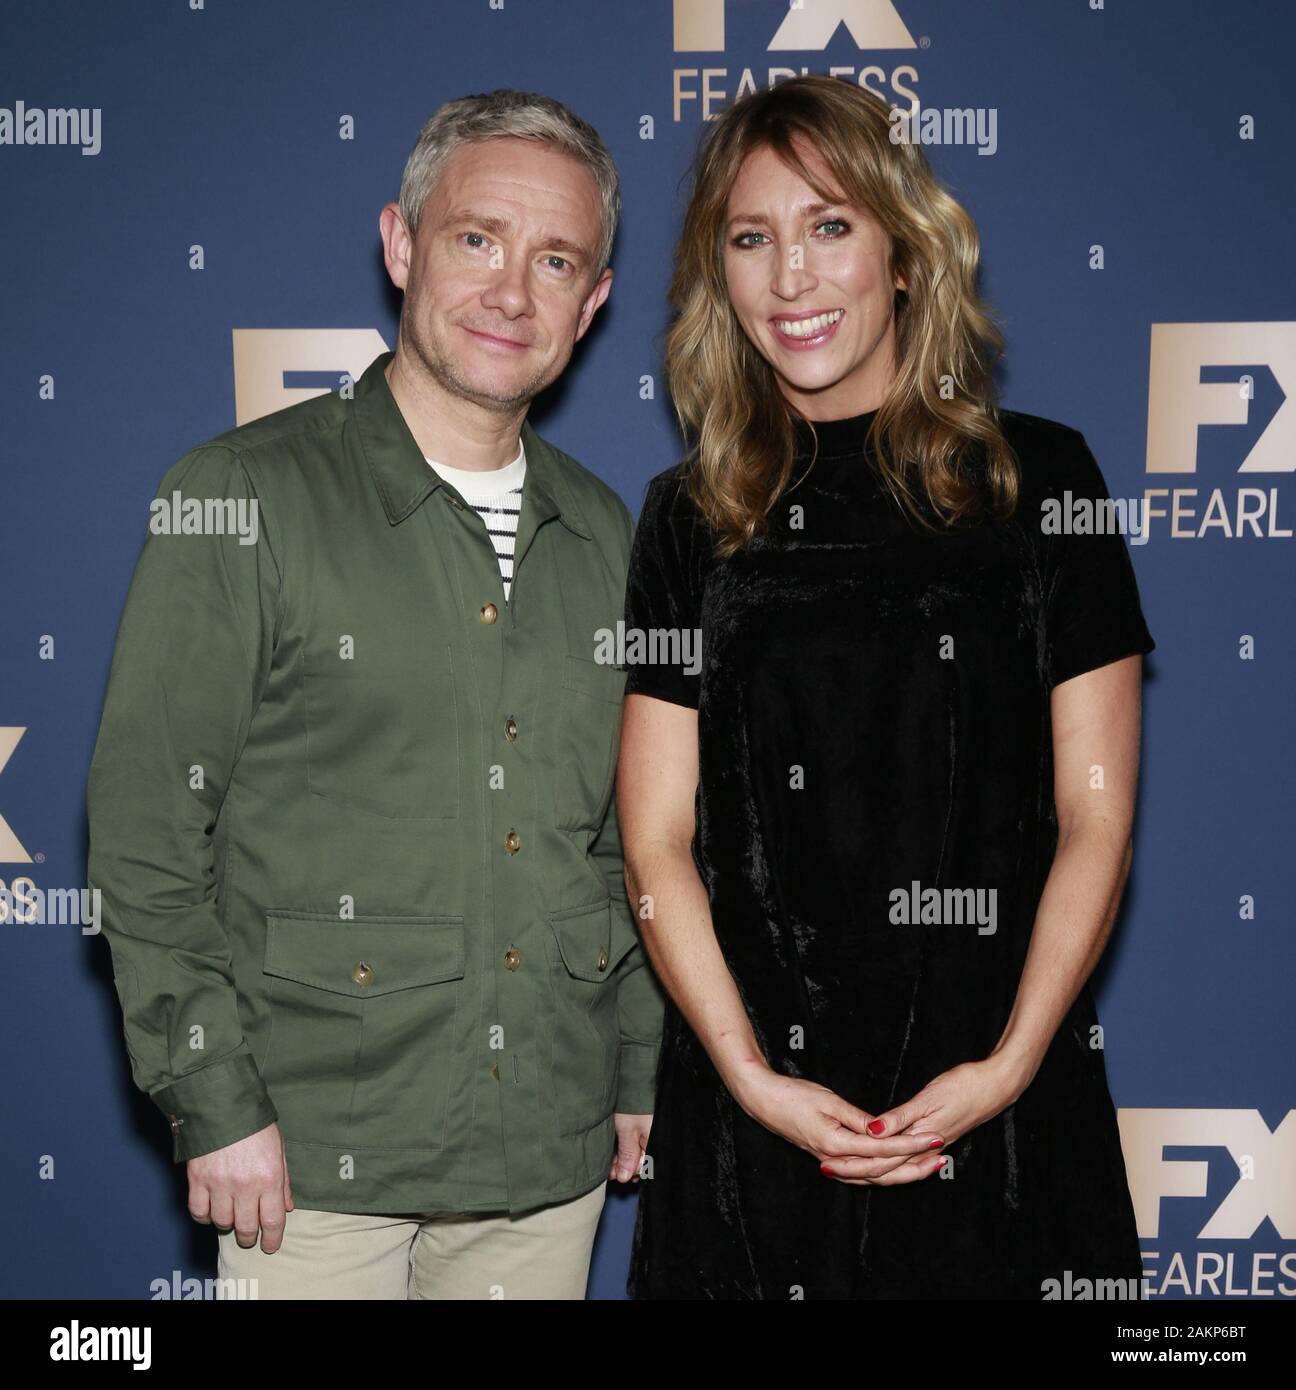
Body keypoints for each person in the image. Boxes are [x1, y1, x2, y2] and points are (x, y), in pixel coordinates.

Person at [86, 89, 664, 1300]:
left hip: (545, 1157)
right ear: (401, 243)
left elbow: (628, 842)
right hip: (305, 1164)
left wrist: (638, 1070)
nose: (514, 291)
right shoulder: (241, 497)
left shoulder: (612, 535)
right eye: (476, 239)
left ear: (593, 301)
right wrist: (214, 1099)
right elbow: (145, 834)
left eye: (555, 260)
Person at [618, 75, 1156, 1300]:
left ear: (906, 255)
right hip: (752, 1121)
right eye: (751, 239)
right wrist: (751, 1082)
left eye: (829, 226)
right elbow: (653, 840)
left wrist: (1008, 1068)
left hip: (1000, 1106)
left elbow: (1097, 818)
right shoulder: (688, 519)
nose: (789, 277)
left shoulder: (1044, 481)